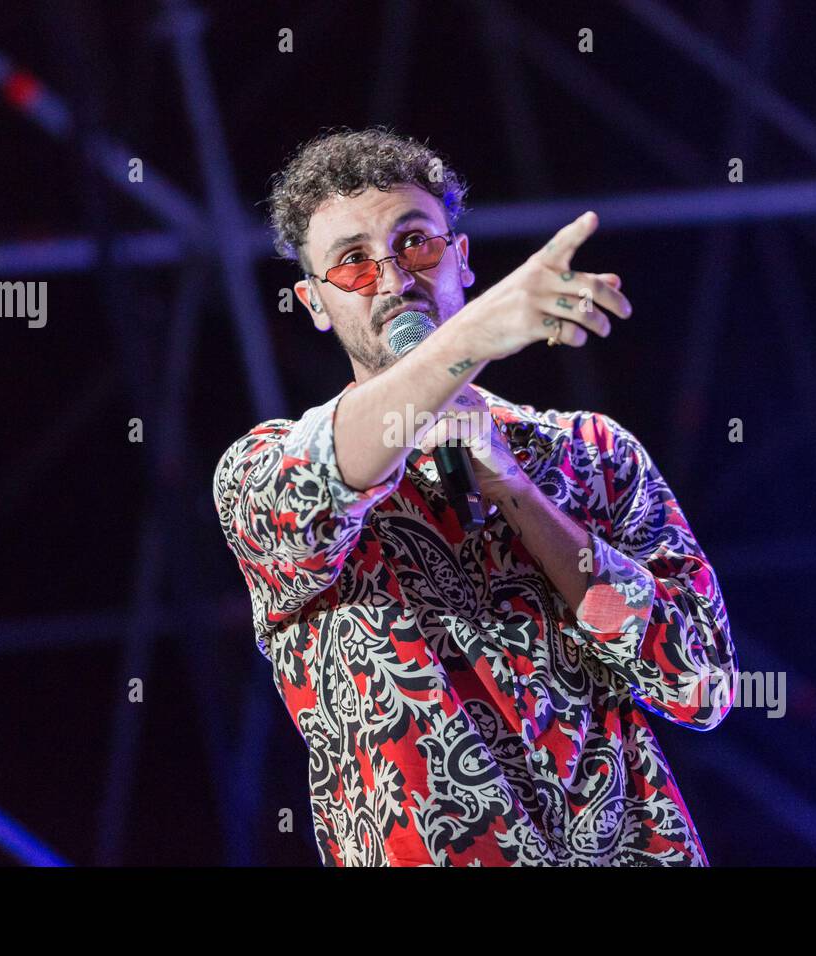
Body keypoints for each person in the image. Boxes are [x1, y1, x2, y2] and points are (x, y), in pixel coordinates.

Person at [213, 126, 737, 866]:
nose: (394, 281)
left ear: (459, 258)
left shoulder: (590, 454)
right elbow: (324, 478)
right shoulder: (261, 470)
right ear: (315, 303)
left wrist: (517, 490)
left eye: (415, 243)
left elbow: (699, 682)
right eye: (354, 263)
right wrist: (472, 338)